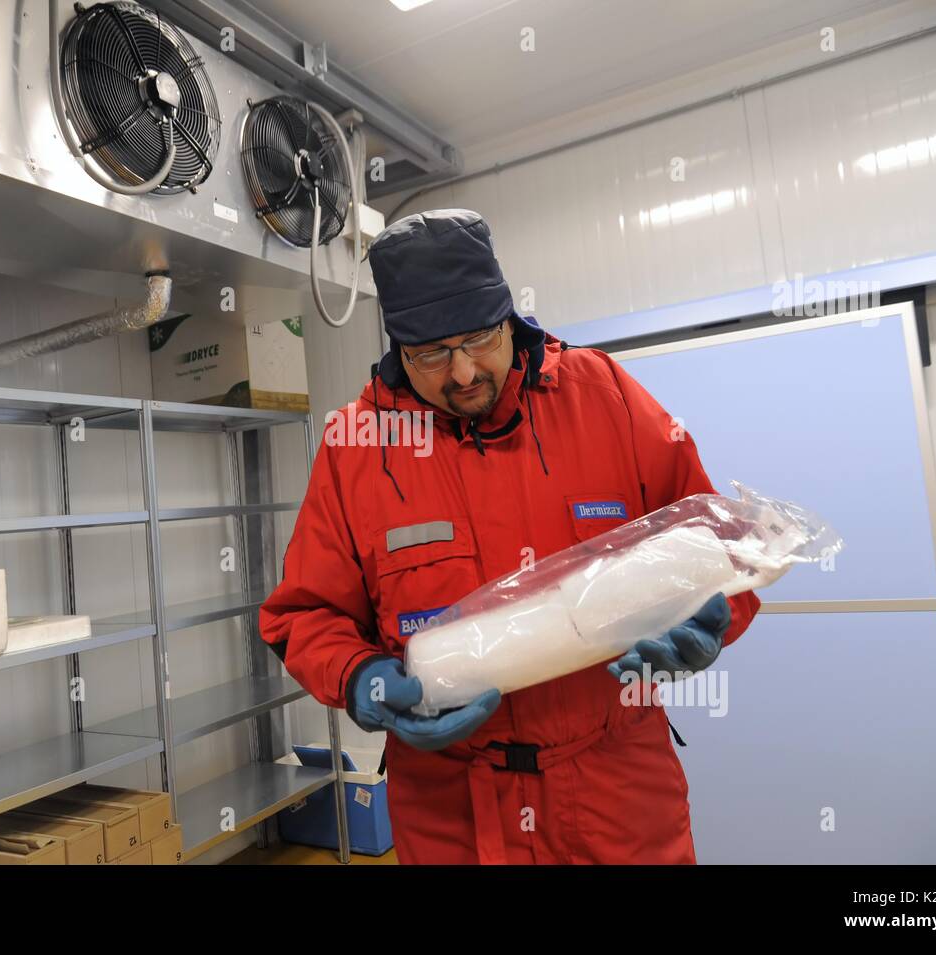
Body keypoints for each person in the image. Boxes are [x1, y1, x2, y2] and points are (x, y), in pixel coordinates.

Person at [260, 208, 760, 864]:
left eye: (478, 339)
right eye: (432, 354)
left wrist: (711, 619)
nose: (462, 373)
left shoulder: (602, 396)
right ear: (397, 347)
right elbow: (306, 614)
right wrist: (364, 679)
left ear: (509, 318)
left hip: (615, 789)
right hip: (451, 810)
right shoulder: (357, 447)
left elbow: (713, 537)